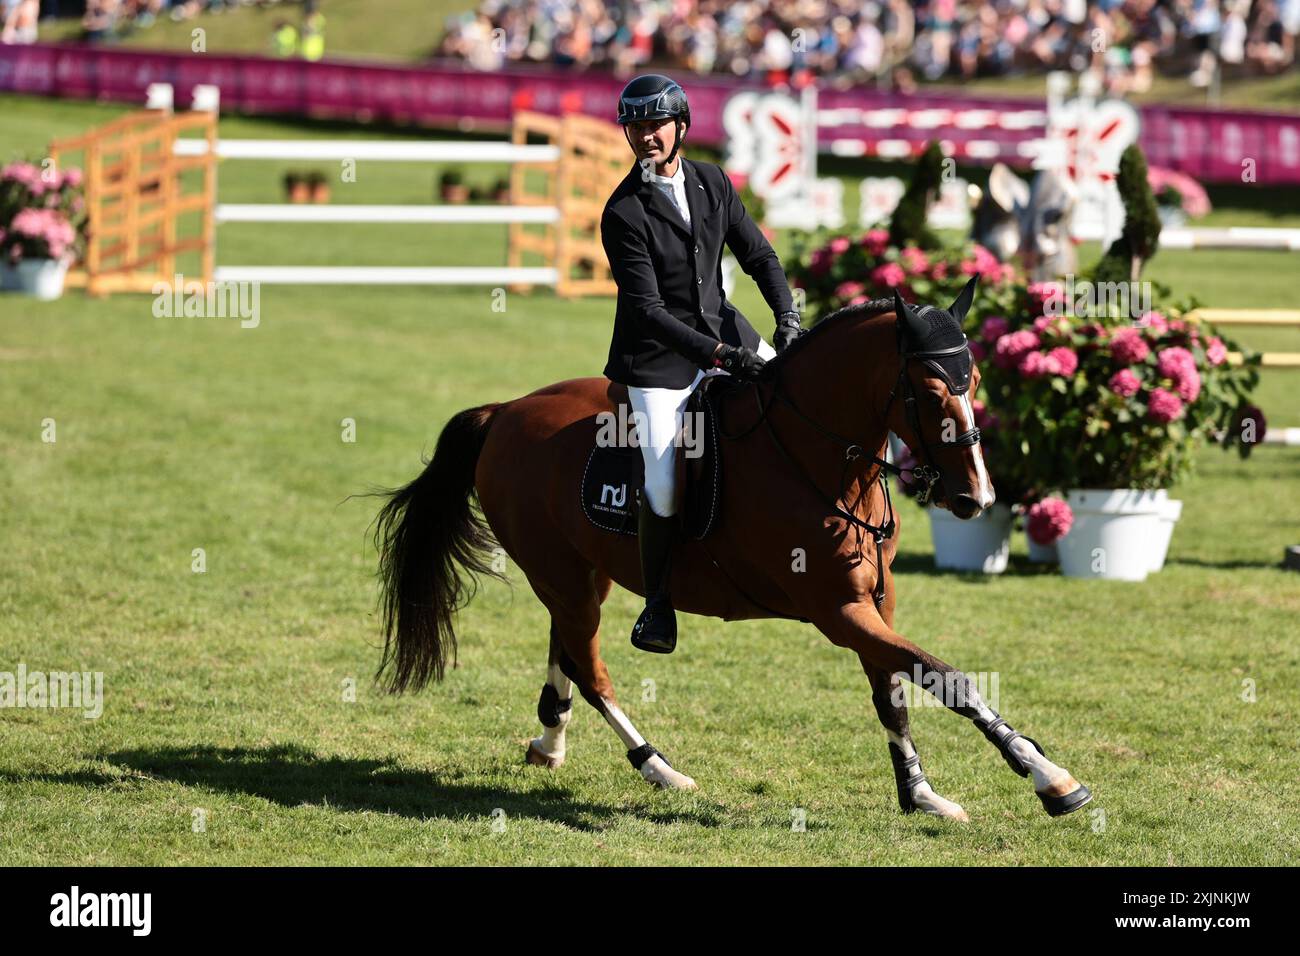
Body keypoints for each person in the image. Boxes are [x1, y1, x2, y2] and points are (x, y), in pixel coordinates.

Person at [600, 73, 803, 655]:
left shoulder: (714, 182)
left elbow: (759, 255)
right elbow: (646, 310)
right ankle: (657, 604)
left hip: (728, 330)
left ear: (681, 125)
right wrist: (720, 356)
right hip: (658, 361)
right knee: (663, 482)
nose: (644, 137)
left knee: (796, 403)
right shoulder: (623, 212)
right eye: (634, 128)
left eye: (654, 125)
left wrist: (786, 317)